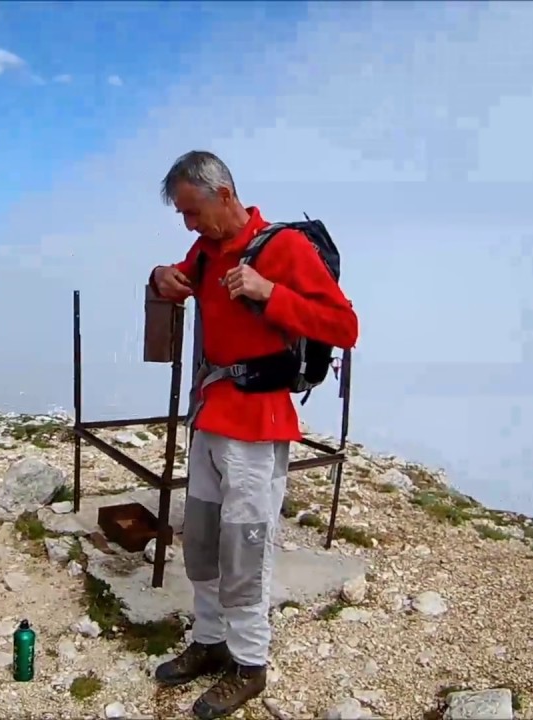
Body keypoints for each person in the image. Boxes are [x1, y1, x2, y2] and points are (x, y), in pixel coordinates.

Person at [148, 151, 359, 719]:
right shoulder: (207, 249)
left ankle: (249, 663)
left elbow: (345, 326)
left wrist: (269, 292)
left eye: (193, 212)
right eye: (183, 215)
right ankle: (210, 640)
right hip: (210, 416)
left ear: (224, 195)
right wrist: (160, 276)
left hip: (257, 426)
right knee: (203, 541)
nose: (188, 225)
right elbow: (175, 281)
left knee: (245, 549)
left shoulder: (283, 249)